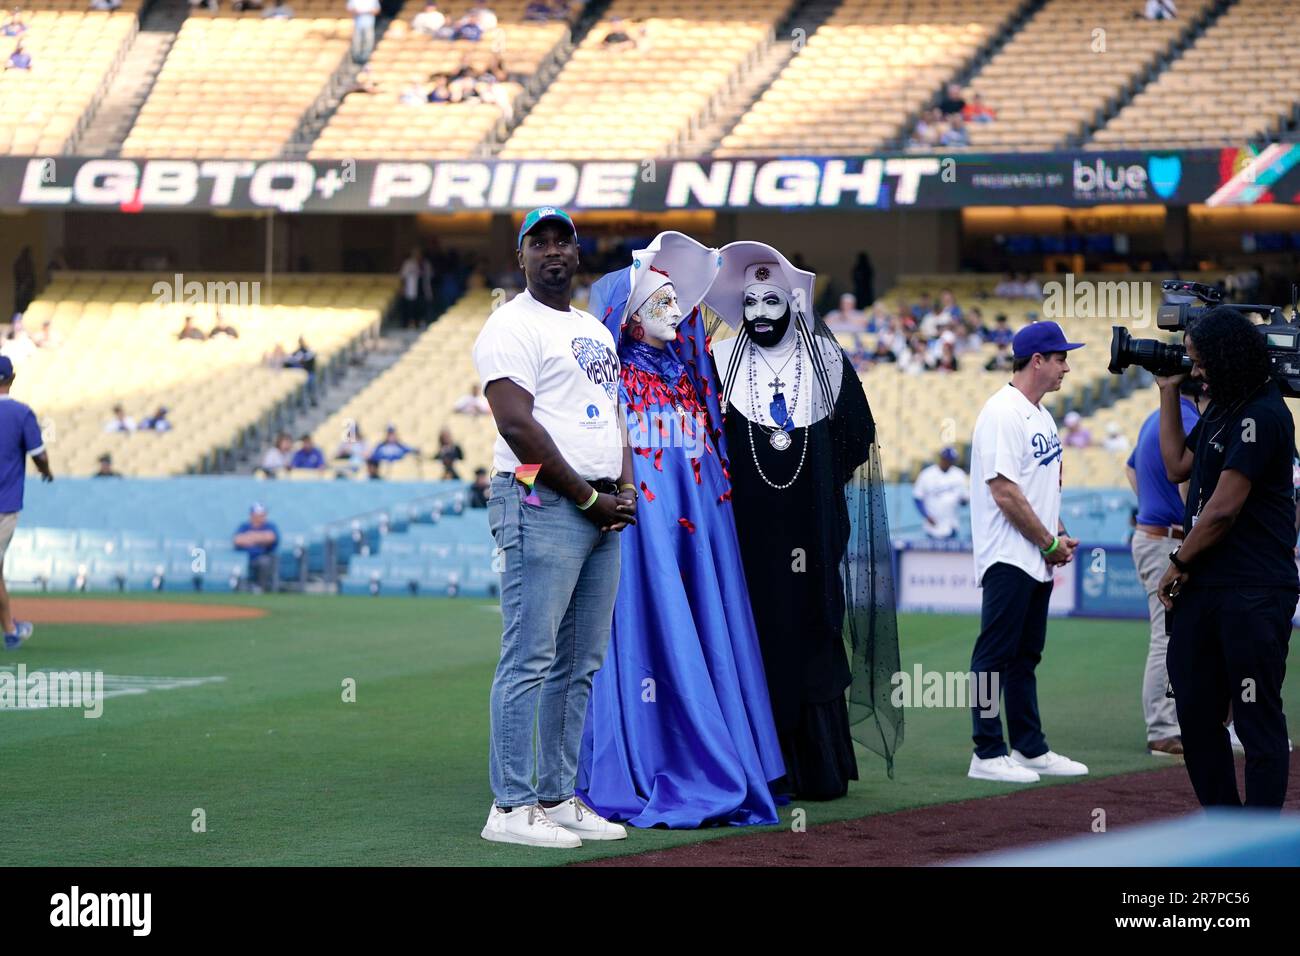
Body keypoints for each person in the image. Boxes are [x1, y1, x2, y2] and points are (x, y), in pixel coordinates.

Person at [578, 232, 784, 828]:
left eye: (675, 301)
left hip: (693, 536)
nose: (676, 312)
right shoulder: (615, 385)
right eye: (661, 303)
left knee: (703, 620)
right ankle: (651, 755)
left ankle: (714, 751)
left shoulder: (685, 381)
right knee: (648, 625)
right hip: (643, 541)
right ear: (631, 320)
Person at [706, 241, 902, 800]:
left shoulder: (825, 360)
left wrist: (815, 485)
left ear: (793, 302)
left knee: (814, 630)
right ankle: (759, 765)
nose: (763, 311)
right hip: (747, 539)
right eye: (751, 301)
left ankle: (816, 766)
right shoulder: (719, 362)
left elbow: (857, 436)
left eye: (774, 299)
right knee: (755, 633)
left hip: (813, 537)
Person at [472, 206, 634, 847]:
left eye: (562, 240)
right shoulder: (508, 324)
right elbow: (516, 428)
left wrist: (621, 489)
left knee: (580, 662)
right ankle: (509, 809)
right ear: (521, 258)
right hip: (538, 497)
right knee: (530, 657)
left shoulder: (594, 328)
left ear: (577, 250)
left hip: (597, 506)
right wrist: (584, 497)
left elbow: (612, 419)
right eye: (537, 243)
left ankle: (557, 797)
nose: (552, 251)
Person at [1156, 307, 1297, 809]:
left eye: (1199, 362)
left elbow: (1222, 511)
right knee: (1195, 714)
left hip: (1253, 589)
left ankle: (1257, 850)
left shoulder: (1263, 412)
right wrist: (1168, 390)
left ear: (1227, 358)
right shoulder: (1222, 407)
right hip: (1208, 589)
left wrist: (1178, 563)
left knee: (1257, 719)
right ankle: (1224, 829)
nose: (1195, 371)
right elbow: (1176, 465)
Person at [967, 321, 1089, 783]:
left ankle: (1029, 747)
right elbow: (1003, 491)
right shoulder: (1002, 412)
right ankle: (986, 750)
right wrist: (1048, 541)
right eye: (1060, 358)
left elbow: (1040, 488)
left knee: (1024, 657)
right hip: (1007, 554)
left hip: (1034, 555)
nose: (1066, 367)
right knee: (992, 657)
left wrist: (1058, 531)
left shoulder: (1042, 414)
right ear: (1036, 360)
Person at [1126, 378, 1205, 757]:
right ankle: (1161, 730)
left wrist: (1152, 506)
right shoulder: (1188, 422)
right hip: (1167, 541)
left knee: (1170, 634)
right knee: (1167, 636)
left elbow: (1130, 470)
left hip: (1152, 535)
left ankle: (1170, 724)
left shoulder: (1155, 418)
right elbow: (1191, 487)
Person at [0, 355, 51, 650]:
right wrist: (46, 472)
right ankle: (9, 629)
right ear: (12, 378)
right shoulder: (21, 414)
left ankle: (9, 630)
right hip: (4, 505)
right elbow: (39, 455)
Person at [914, 447, 969, 539]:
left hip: (951, 524)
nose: (948, 462)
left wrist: (964, 501)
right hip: (932, 525)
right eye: (946, 459)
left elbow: (964, 500)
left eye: (951, 460)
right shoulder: (927, 474)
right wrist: (926, 515)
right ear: (941, 458)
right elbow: (917, 498)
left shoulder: (959, 474)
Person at [233, 503, 279, 592]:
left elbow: (271, 537)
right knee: (237, 565)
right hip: (245, 559)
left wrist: (250, 536)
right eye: (258, 515)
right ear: (252, 515)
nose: (260, 517)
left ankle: (260, 588)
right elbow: (237, 540)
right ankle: (239, 588)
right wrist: (260, 538)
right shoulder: (244, 526)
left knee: (264, 561)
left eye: (262, 515)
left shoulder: (269, 526)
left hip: (261, 557)